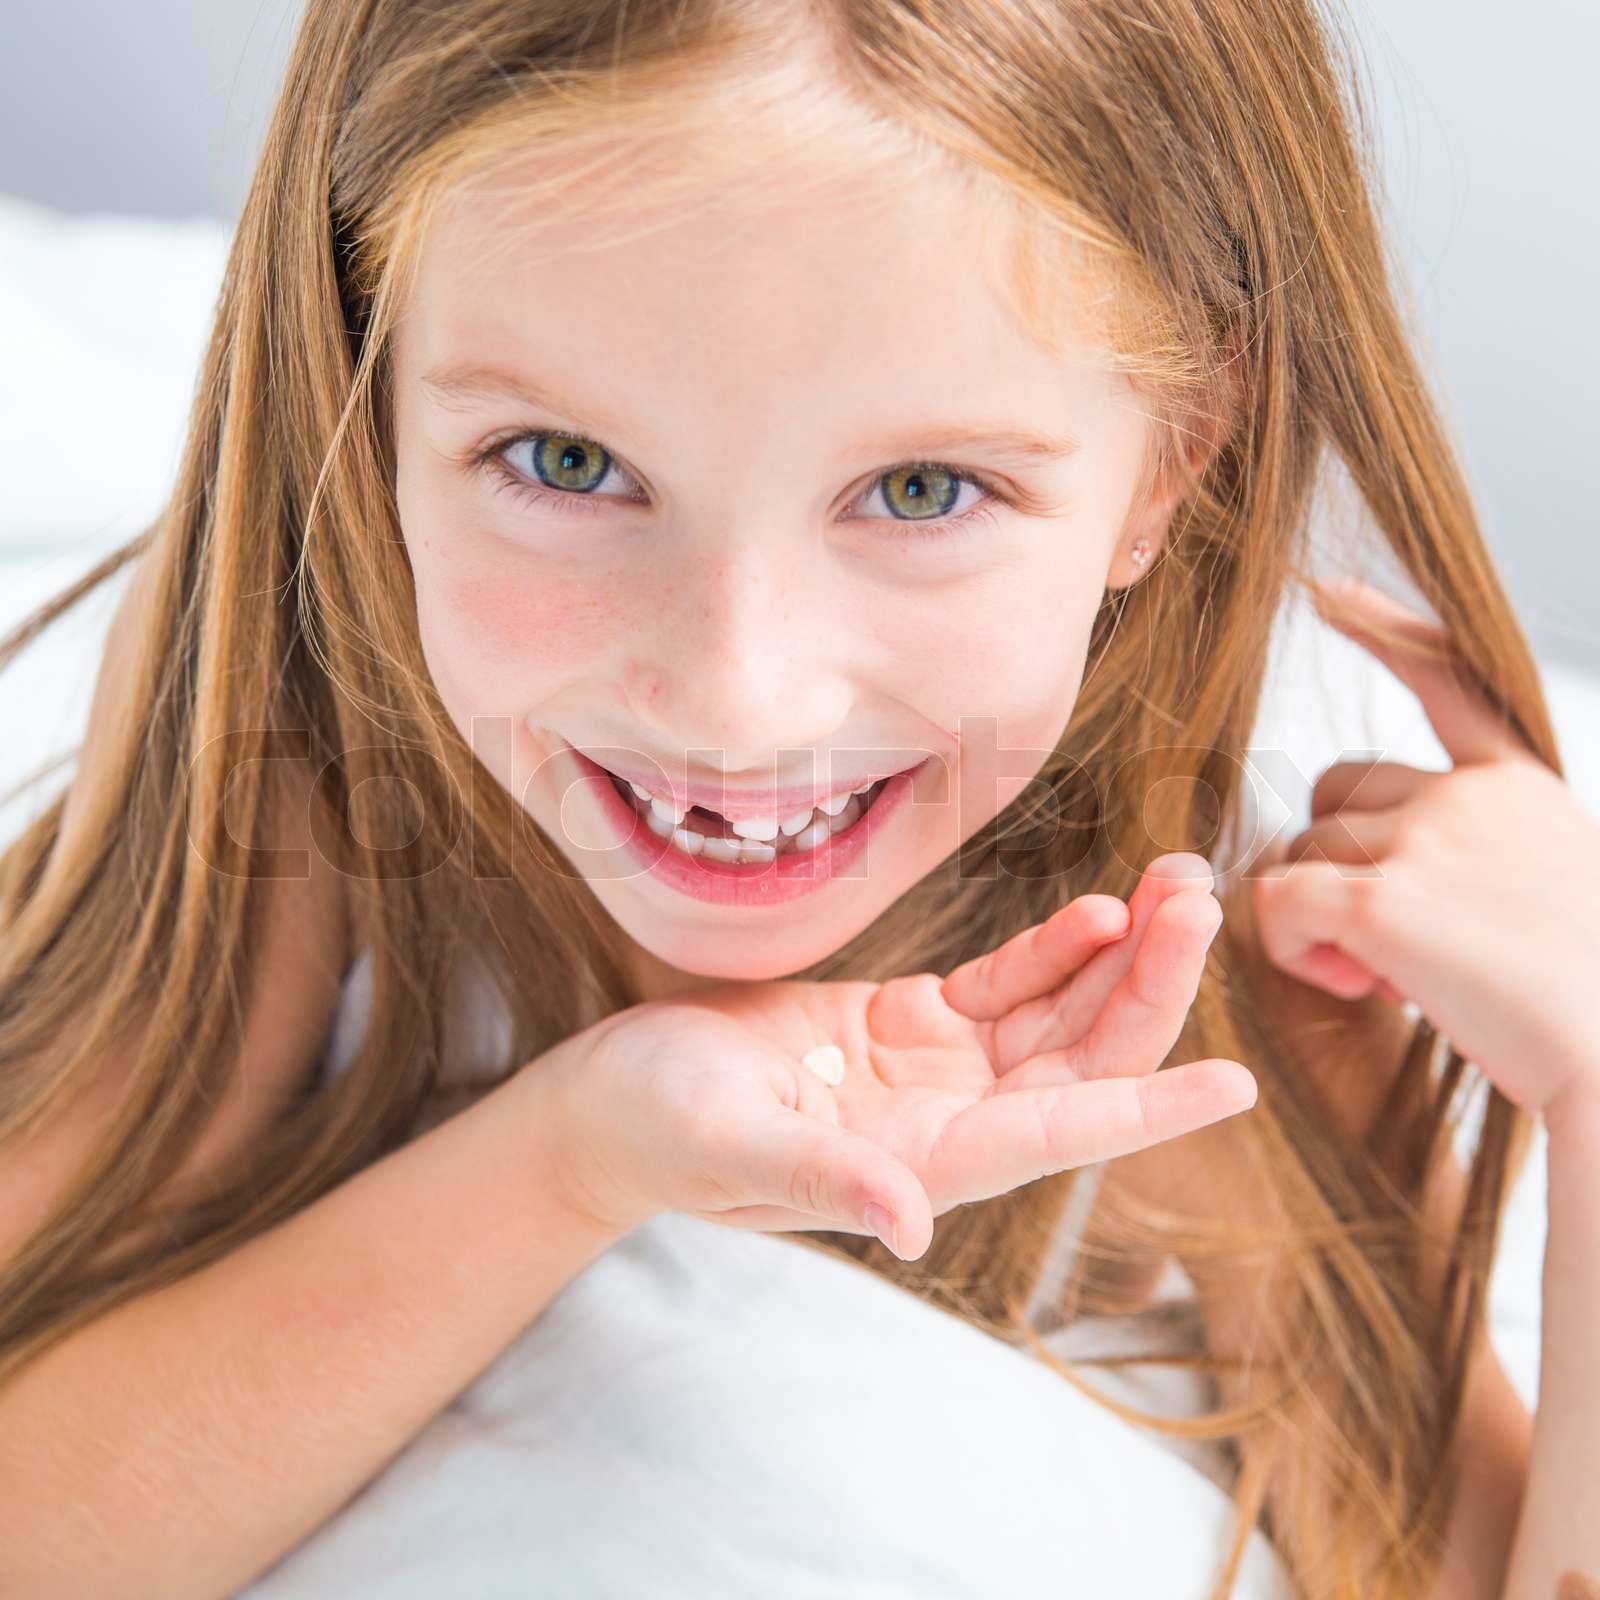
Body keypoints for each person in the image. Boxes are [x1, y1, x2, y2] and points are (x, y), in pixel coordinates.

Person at [0, 1, 1590, 1595]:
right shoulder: (301, 750)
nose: (737, 701)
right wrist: (575, 1154)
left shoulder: (1198, 969)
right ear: (362, 371)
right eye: (561, 462)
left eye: (922, 491)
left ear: (1176, 455)